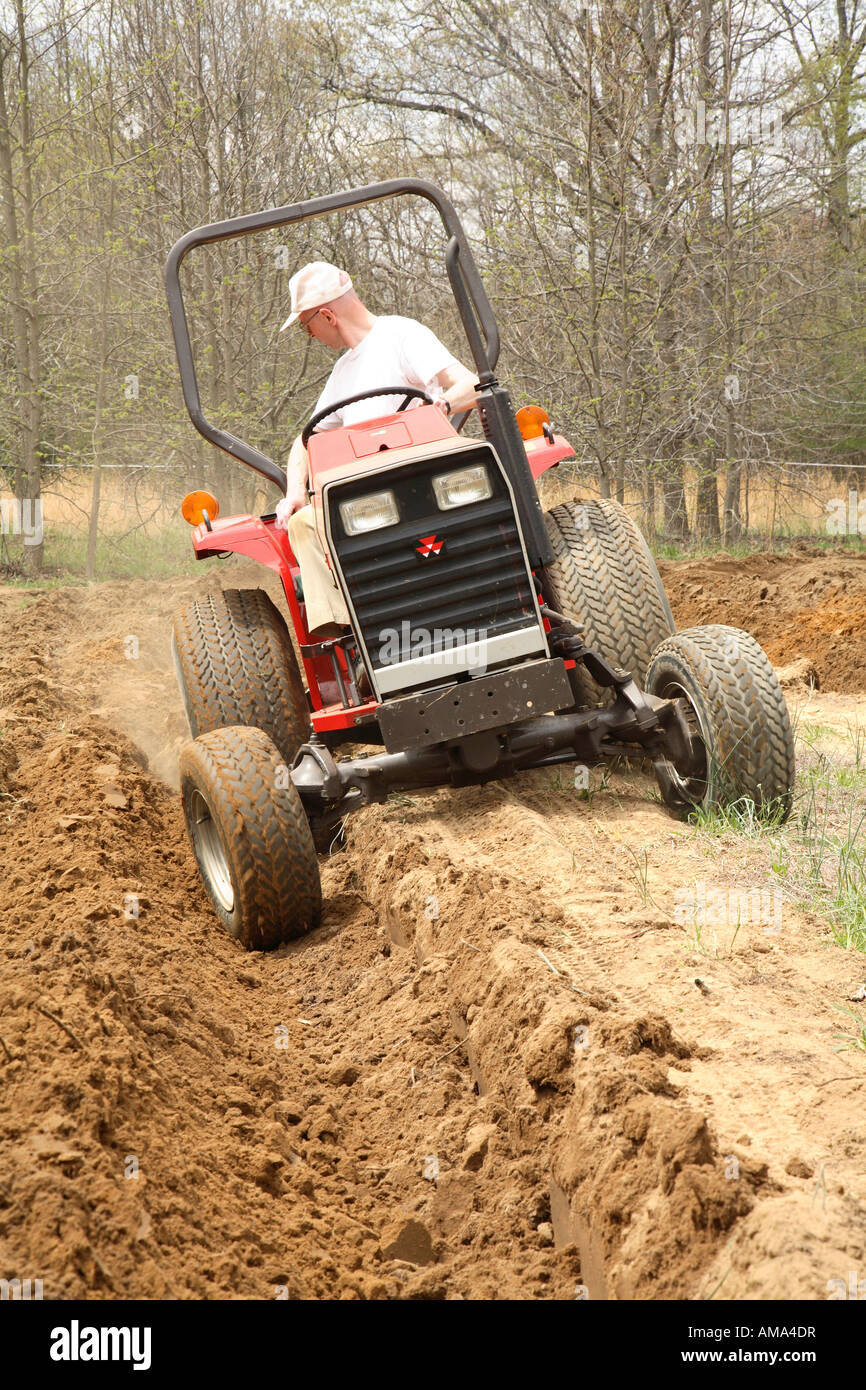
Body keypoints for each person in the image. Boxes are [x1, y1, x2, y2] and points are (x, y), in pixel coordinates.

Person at [274, 262, 479, 638]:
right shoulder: (342, 374)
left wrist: (442, 406)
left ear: (327, 316)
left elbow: (471, 385)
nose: (311, 336)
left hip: (427, 486)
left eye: (307, 327)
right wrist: (293, 494)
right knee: (304, 524)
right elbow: (304, 441)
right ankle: (353, 638)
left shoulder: (401, 335)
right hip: (368, 506)